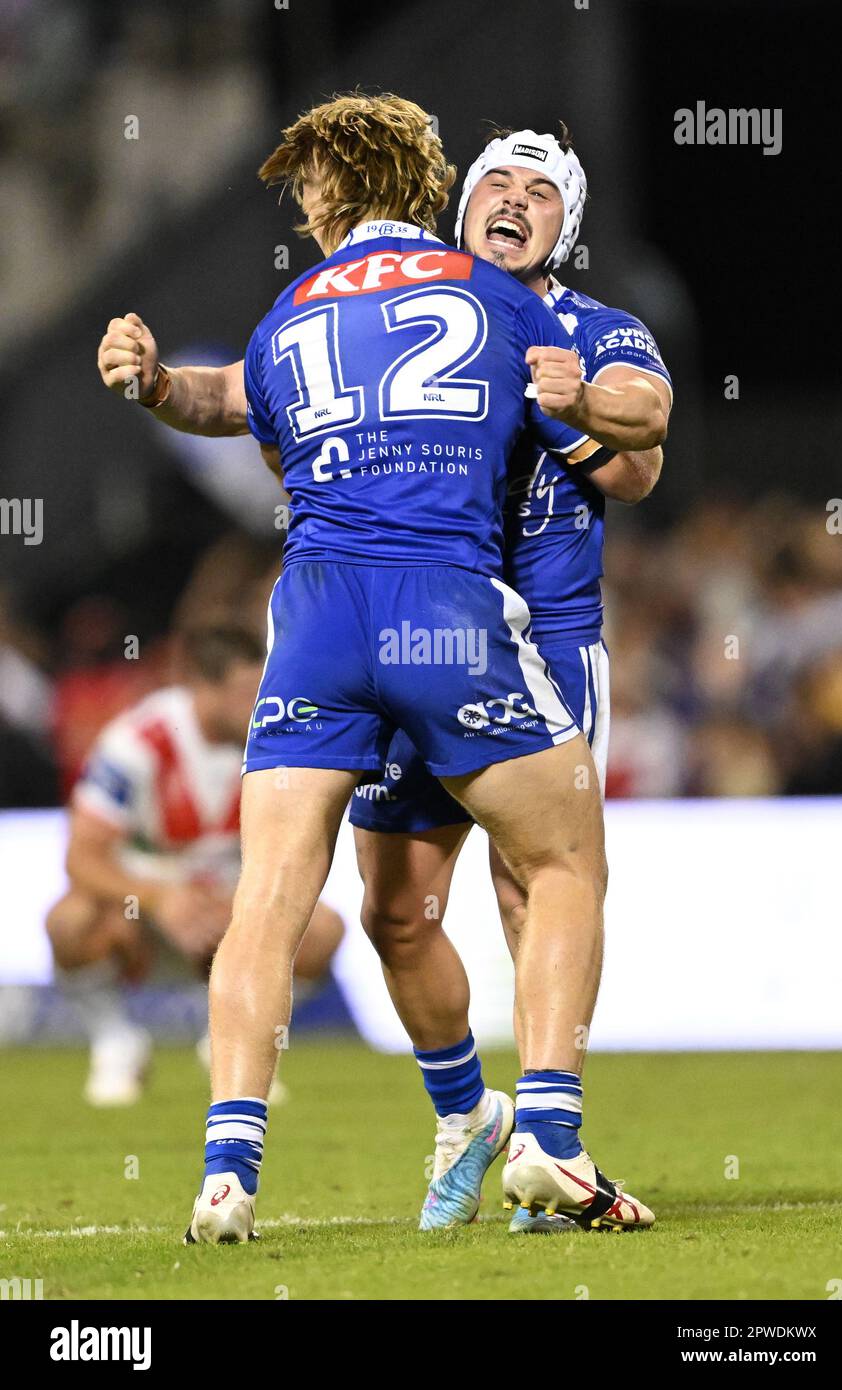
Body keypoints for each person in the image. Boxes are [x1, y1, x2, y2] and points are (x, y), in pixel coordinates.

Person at [96, 93, 667, 1244]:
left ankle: (541, 1147)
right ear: (446, 195)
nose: (511, 201)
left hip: (472, 627)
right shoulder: (484, 301)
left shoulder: (559, 320)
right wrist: (167, 385)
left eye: (539, 190)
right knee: (398, 909)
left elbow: (639, 447)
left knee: (480, 884)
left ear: (568, 223)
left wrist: (583, 403)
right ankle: (477, 1122)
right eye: (494, 183)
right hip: (450, 623)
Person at [46, 625, 344, 1105]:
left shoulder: (273, 740)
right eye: (247, 692)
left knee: (324, 927)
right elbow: (81, 856)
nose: (259, 704)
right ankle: (116, 1042)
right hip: (142, 911)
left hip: (227, 902)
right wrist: (161, 898)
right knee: (69, 920)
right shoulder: (137, 742)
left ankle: (234, 1042)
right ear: (204, 687)